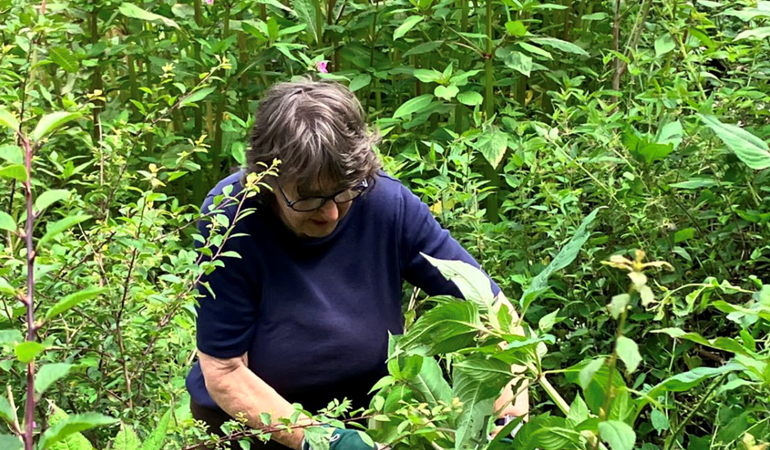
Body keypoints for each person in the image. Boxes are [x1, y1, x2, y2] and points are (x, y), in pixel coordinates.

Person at [185, 79, 528, 450]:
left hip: (364, 420)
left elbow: (493, 310)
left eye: (344, 192)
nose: (331, 214)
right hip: (249, 430)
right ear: (268, 180)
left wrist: (509, 421)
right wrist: (326, 442)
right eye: (310, 199)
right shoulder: (232, 216)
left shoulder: (387, 203)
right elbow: (225, 371)